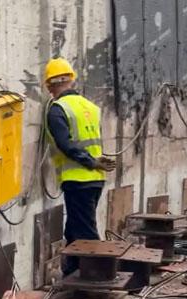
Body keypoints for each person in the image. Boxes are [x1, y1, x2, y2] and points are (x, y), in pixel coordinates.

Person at [44, 57, 116, 276]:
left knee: (85, 233)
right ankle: (72, 271)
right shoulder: (91, 107)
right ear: (72, 80)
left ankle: (99, 277)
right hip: (96, 179)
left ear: (50, 86)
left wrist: (90, 161)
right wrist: (94, 163)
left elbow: (66, 145)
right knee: (74, 228)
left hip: (77, 179)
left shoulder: (58, 109)